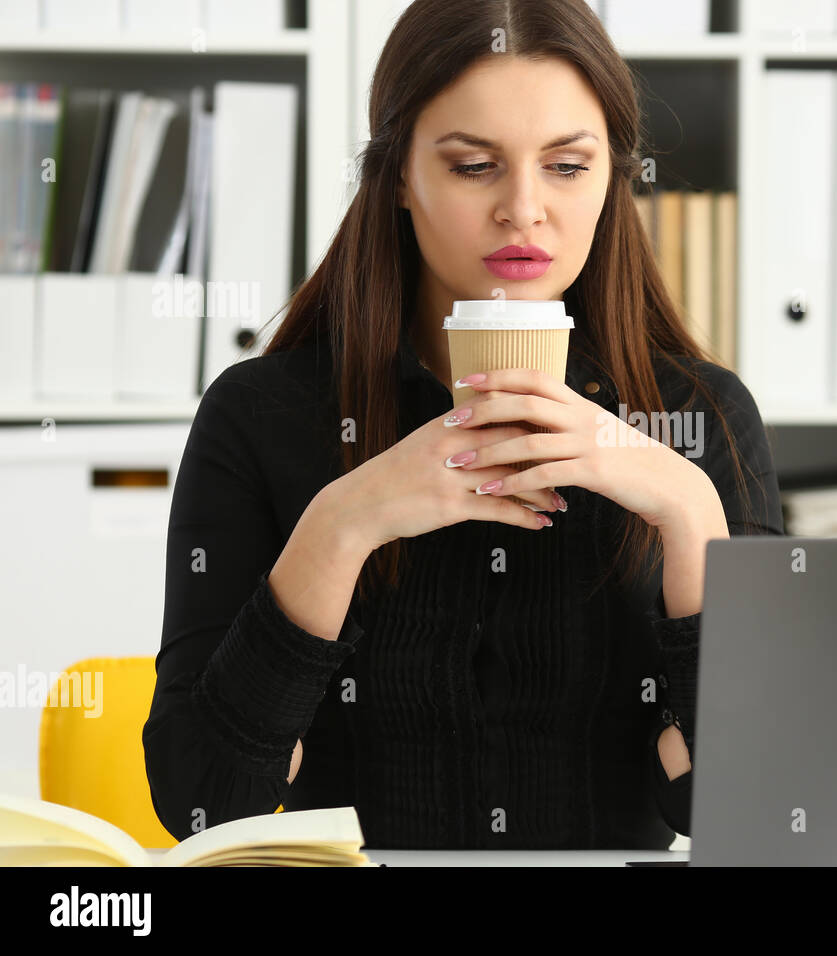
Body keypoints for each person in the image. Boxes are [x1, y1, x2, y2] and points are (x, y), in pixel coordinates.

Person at [143, 0, 783, 850]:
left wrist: (689, 509)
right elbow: (201, 805)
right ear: (401, 176)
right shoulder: (259, 415)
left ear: (613, 178)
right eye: (476, 166)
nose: (524, 209)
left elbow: (768, 809)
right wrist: (342, 524)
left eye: (566, 166)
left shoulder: (703, 418)